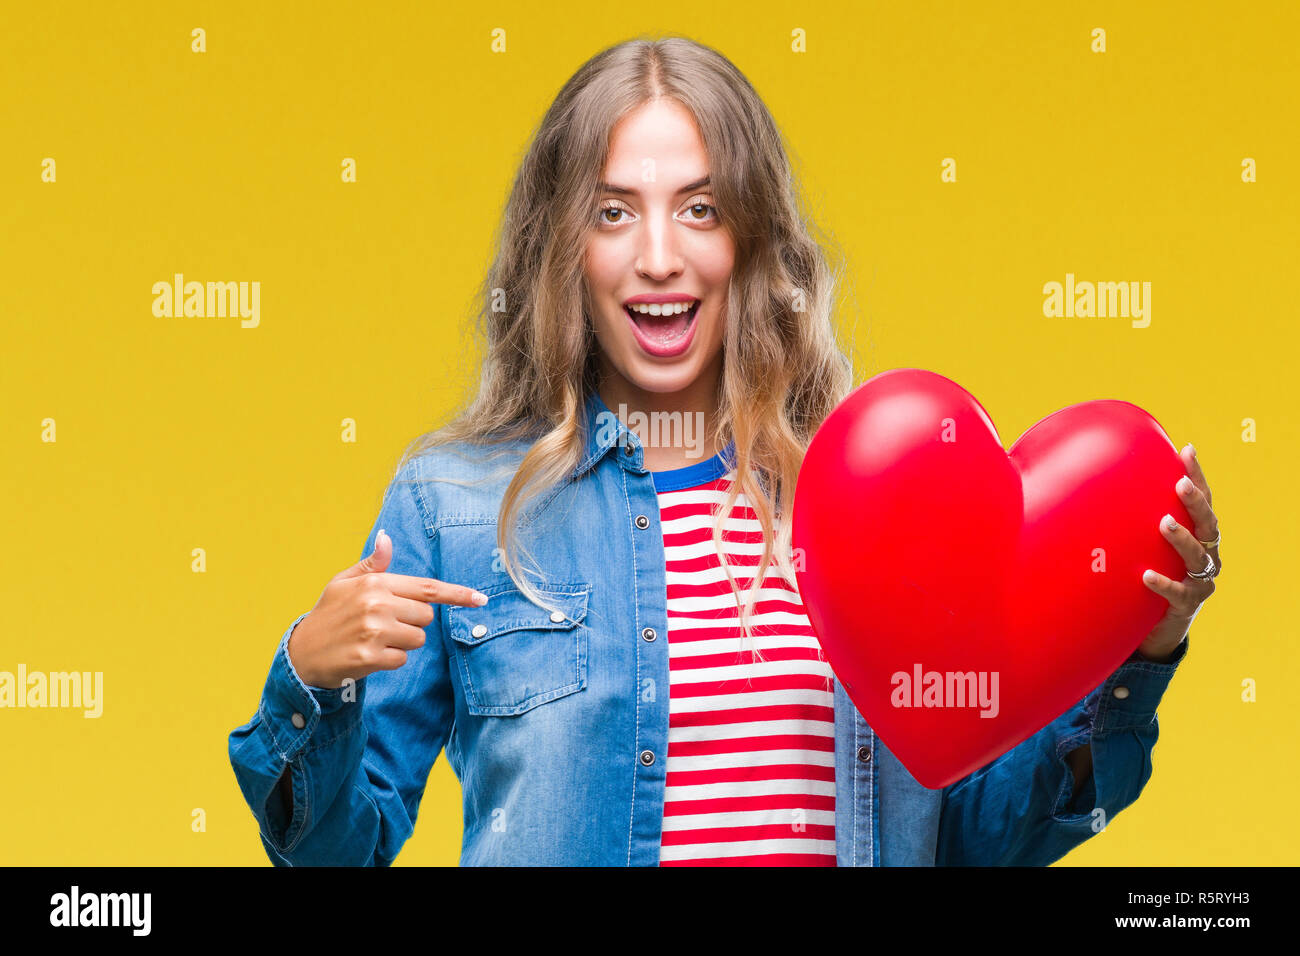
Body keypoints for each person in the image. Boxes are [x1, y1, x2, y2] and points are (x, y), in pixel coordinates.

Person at [228, 35, 1220, 866]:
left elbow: (976, 833)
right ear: (560, 244)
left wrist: (1139, 642)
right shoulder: (453, 503)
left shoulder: (867, 502)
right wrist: (313, 676)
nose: (659, 255)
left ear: (751, 239)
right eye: (612, 211)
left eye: (699, 208)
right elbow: (337, 850)